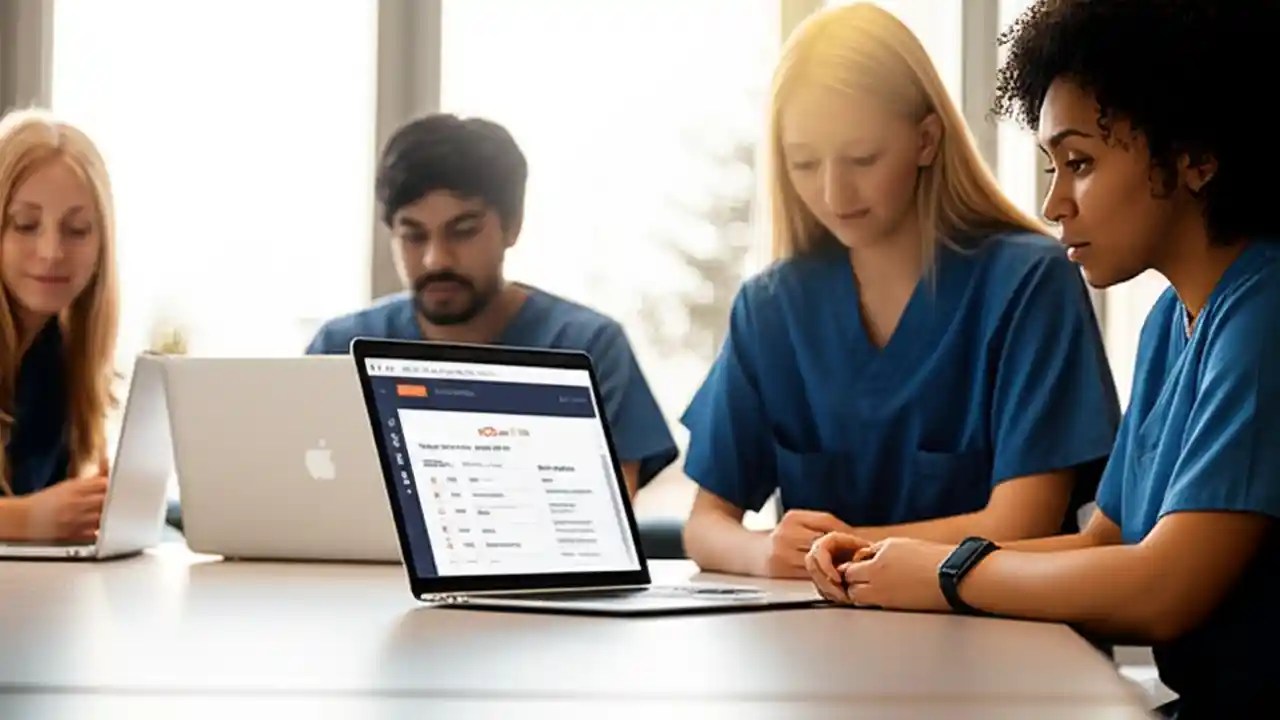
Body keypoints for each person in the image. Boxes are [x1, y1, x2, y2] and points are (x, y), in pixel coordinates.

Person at [805, 1, 1280, 716]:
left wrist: (947, 576)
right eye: (1053, 166)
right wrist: (891, 558)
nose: (1055, 202)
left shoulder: (1265, 313)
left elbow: (1163, 589)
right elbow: (1106, 540)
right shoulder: (1168, 325)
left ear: (1196, 157)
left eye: (1080, 163)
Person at [679, 2, 1120, 579]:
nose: (835, 192)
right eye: (805, 163)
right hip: (824, 646)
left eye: (862, 158)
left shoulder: (1030, 282)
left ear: (926, 140)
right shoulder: (771, 309)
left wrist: (839, 550)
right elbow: (705, 524)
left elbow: (1022, 521)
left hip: (1005, 644)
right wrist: (765, 552)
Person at [306, 114, 679, 535]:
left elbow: (597, 527)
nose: (436, 260)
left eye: (462, 232)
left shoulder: (585, 346)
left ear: (512, 225)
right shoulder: (341, 347)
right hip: (349, 587)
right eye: (413, 236)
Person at [0, 108, 119, 543]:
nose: (52, 251)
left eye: (77, 230)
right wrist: (25, 521)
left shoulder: (59, 358)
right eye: (25, 225)